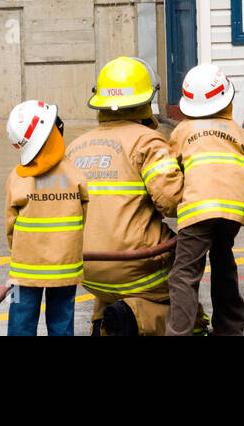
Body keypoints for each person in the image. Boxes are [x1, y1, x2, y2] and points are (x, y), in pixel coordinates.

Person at [65, 56, 183, 336]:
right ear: (146, 99)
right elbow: (173, 202)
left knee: (109, 252)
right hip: (138, 268)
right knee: (186, 261)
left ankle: (101, 325)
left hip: (87, 269)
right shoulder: (148, 142)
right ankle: (140, 319)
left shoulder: (75, 147)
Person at [165, 63, 244, 337]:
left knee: (184, 273)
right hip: (234, 210)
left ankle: (179, 332)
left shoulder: (182, 131)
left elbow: (169, 172)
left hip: (198, 209)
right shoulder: (238, 131)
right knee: (223, 261)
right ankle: (230, 329)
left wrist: (172, 201)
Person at [3, 100, 88, 336]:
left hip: (24, 270)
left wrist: (19, 252)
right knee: (62, 323)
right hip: (65, 268)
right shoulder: (75, 173)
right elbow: (84, 217)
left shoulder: (17, 178)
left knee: (20, 323)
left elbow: (10, 225)